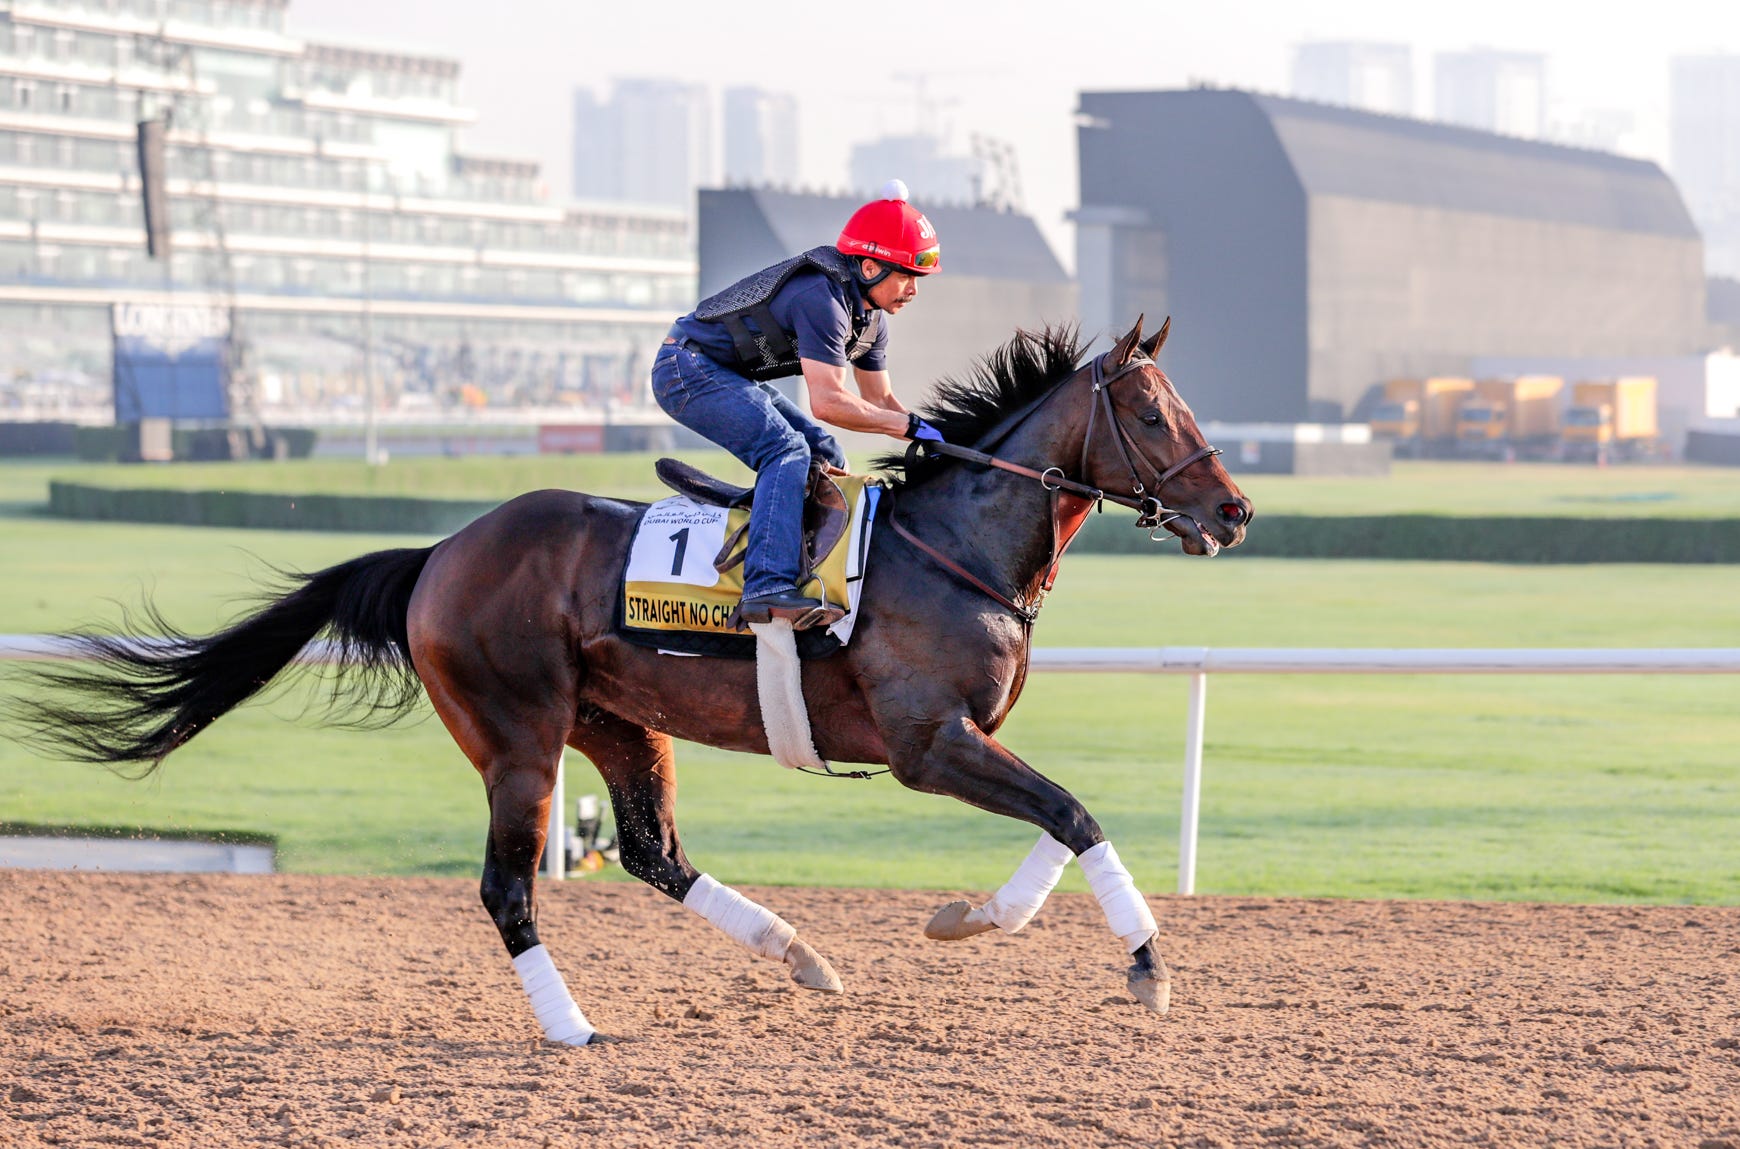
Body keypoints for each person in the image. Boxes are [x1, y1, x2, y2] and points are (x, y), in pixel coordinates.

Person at [650, 179, 946, 626]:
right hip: (684, 368)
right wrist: (906, 429)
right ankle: (767, 586)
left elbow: (880, 399)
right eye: (906, 275)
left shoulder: (870, 322)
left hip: (722, 372)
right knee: (786, 450)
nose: (913, 290)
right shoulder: (821, 299)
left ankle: (801, 558)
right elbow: (828, 402)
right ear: (869, 268)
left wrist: (935, 434)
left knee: (827, 454)